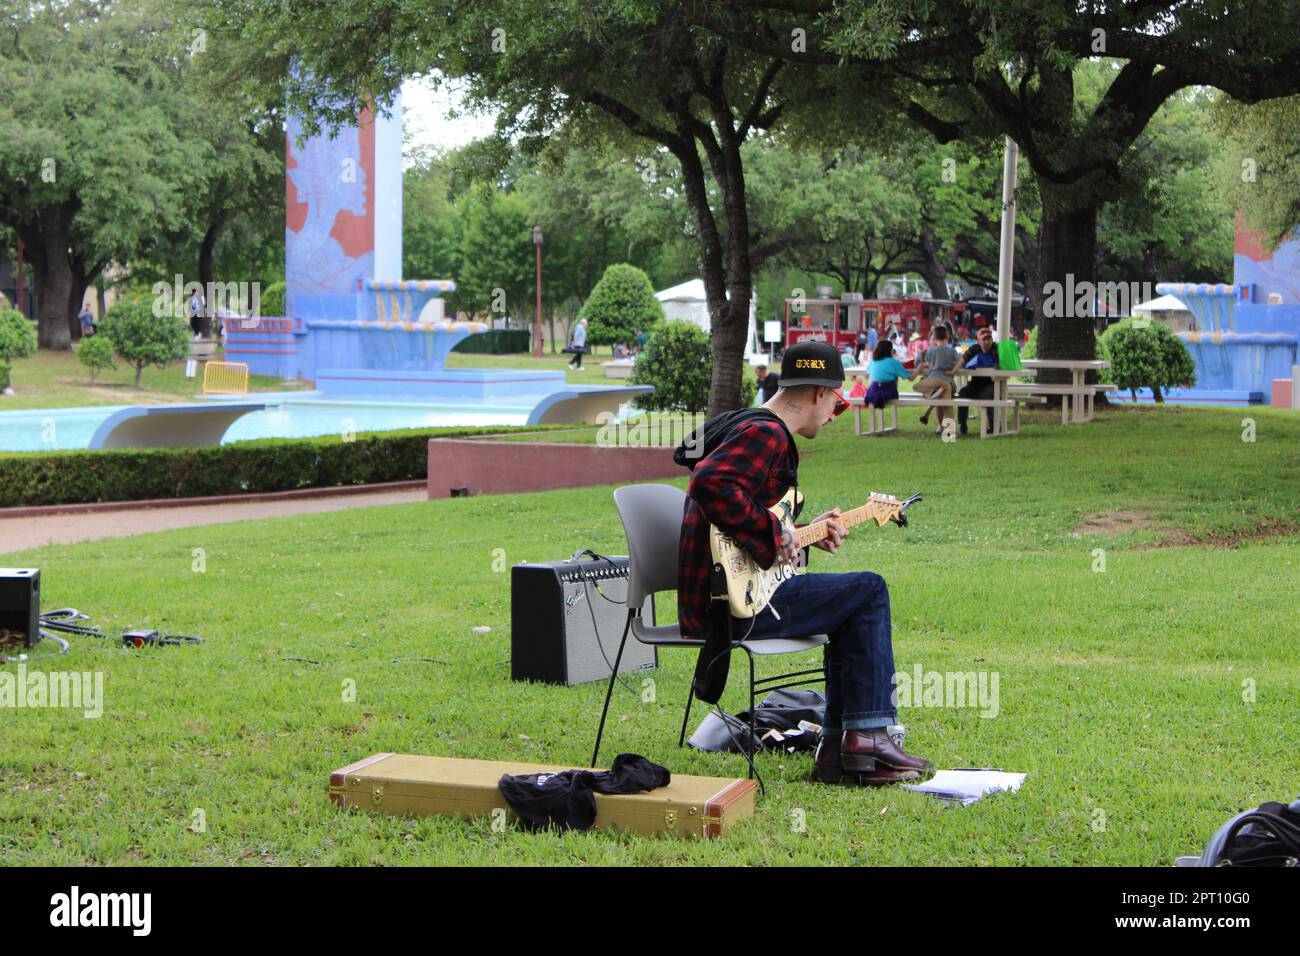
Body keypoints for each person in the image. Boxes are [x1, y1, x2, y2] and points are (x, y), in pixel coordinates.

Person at [677, 340, 933, 786]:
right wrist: (777, 535)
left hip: (725, 596)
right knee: (869, 590)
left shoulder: (742, 422)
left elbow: (744, 525)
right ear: (818, 393)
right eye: (836, 404)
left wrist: (801, 534)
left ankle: (841, 747)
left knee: (852, 601)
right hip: (731, 609)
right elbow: (710, 482)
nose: (834, 414)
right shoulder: (768, 433)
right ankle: (865, 739)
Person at [914, 325, 960, 433]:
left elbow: (925, 363)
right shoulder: (952, 351)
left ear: (934, 338)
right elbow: (960, 362)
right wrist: (952, 369)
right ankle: (949, 432)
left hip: (932, 383)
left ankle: (931, 414)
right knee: (947, 403)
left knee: (930, 391)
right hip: (947, 382)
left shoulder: (929, 351)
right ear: (947, 337)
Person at [956, 324, 999, 436]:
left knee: (989, 395)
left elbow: (998, 362)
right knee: (962, 393)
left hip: (991, 384)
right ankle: (963, 426)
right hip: (975, 384)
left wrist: (996, 365)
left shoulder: (996, 348)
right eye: (984, 339)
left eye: (988, 339)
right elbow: (963, 359)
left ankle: (994, 426)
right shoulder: (974, 348)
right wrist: (955, 368)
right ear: (978, 340)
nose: (986, 342)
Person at [863, 339, 909, 409]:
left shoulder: (873, 362)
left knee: (872, 379)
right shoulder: (894, 362)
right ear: (889, 350)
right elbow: (910, 377)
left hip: (873, 391)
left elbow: (867, 375)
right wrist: (920, 368)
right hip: (890, 391)